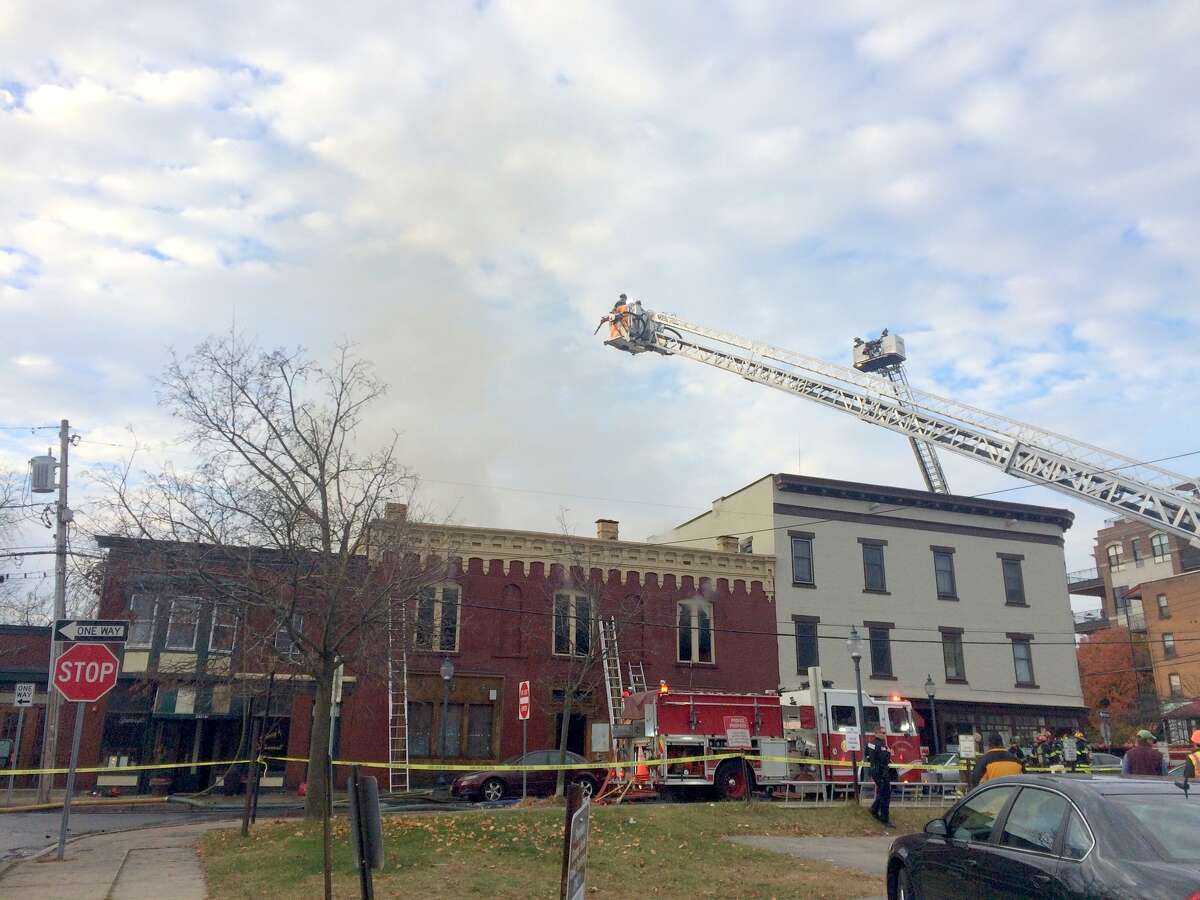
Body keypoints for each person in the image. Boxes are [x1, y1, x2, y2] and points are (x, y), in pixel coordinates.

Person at [865, 727, 893, 826]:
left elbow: (867, 756)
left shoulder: (870, 744)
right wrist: (889, 753)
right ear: (876, 733)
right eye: (882, 733)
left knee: (882, 792)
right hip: (882, 772)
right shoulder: (881, 745)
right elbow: (884, 759)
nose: (884, 734)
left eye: (885, 733)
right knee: (886, 794)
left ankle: (874, 809)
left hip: (875, 770)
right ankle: (884, 818)